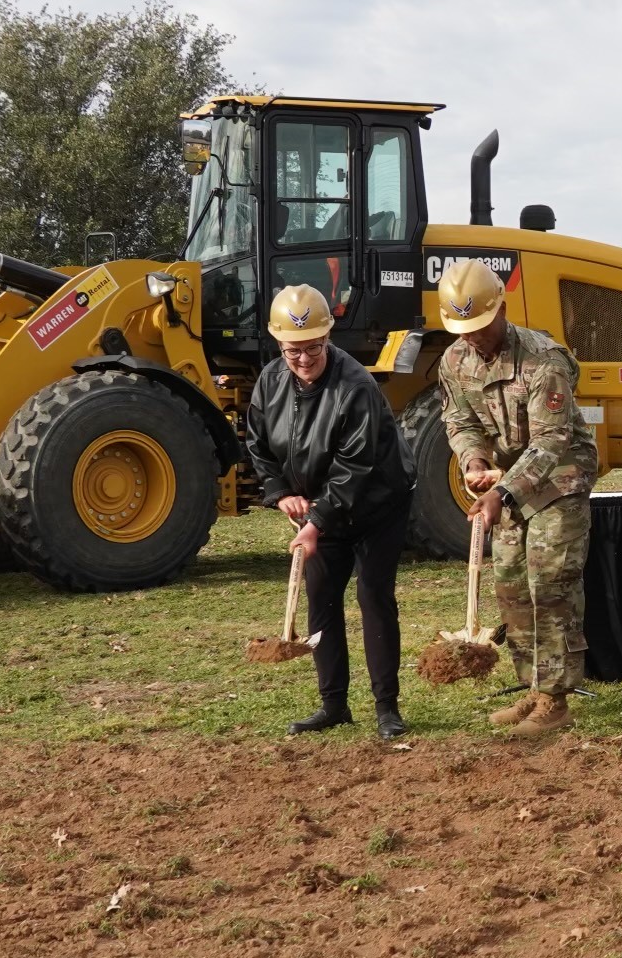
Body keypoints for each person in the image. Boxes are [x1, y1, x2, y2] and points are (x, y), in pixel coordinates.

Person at [434, 257, 599, 739]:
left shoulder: (543, 360)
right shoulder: (454, 361)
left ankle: (556, 698)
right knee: (510, 585)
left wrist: (501, 493)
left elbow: (551, 442)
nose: (474, 337)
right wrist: (474, 464)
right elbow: (459, 422)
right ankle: (531, 687)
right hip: (507, 480)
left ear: (501, 308)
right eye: (464, 330)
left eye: (482, 326)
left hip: (559, 477)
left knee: (549, 584)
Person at [243, 283, 418, 739]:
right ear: (279, 344)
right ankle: (333, 705)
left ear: (329, 337)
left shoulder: (355, 386)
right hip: (320, 509)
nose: (303, 360)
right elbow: (258, 444)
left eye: (314, 348)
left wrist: (316, 520)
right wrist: (281, 492)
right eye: (293, 351)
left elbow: (355, 467)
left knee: (373, 596)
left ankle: (386, 707)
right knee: (321, 599)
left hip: (376, 503)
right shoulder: (269, 382)